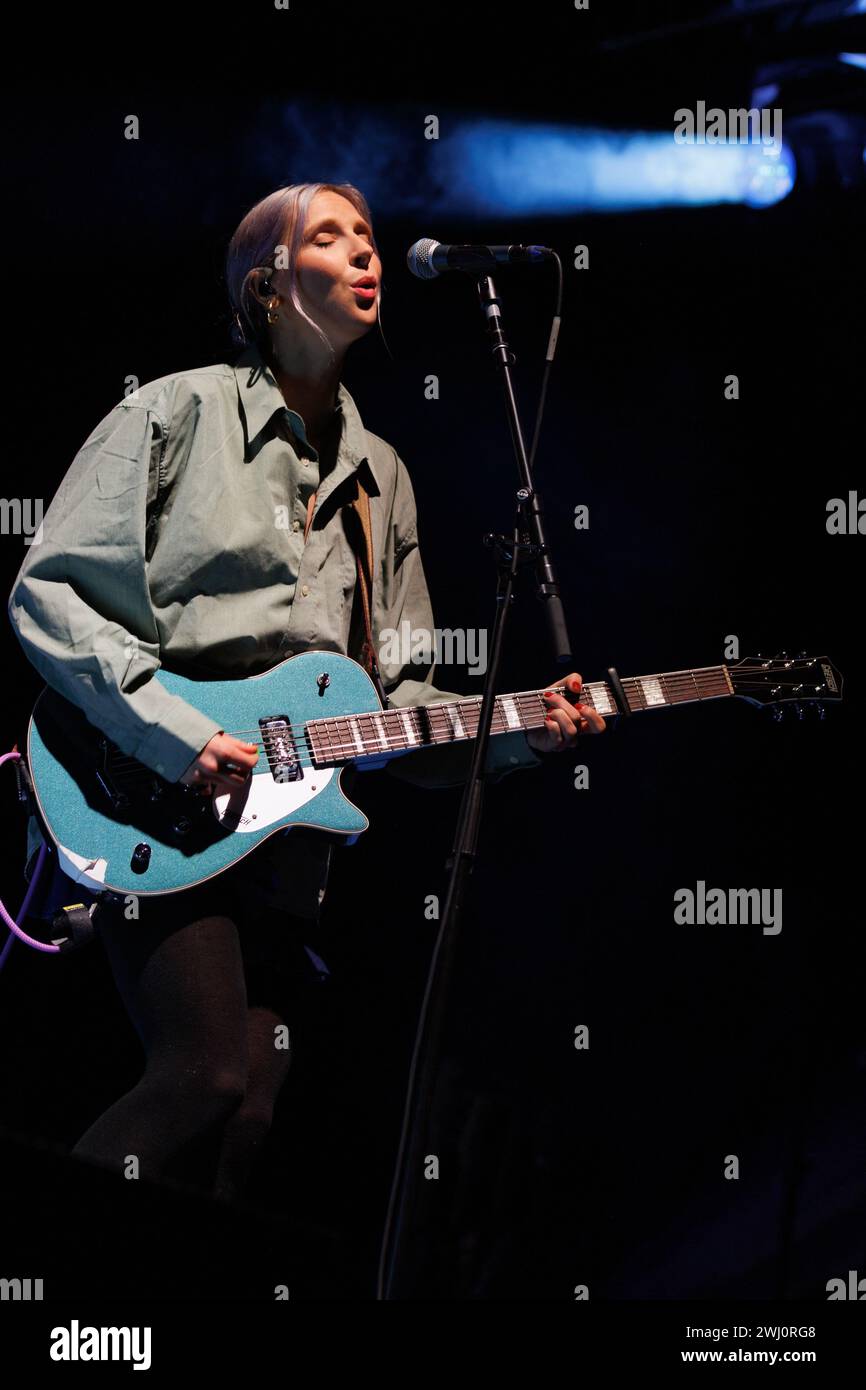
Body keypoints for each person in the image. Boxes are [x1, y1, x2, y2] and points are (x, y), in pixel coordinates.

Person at [7, 182, 605, 1202]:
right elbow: (50, 593)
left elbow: (399, 700)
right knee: (202, 1076)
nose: (365, 253)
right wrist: (179, 736)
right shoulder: (169, 412)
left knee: (249, 1123)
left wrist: (520, 735)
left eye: (368, 236)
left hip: (285, 836)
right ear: (269, 287)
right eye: (329, 237)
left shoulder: (384, 477)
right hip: (147, 789)